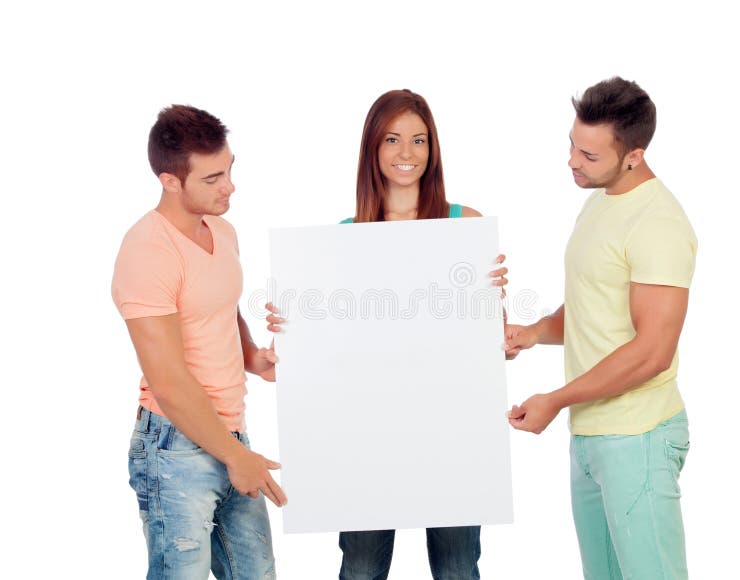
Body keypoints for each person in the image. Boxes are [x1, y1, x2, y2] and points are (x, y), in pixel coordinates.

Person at [267, 89, 508, 580]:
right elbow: (332, 352)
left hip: (452, 433)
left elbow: (493, 348)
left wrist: (493, 306)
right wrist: (293, 332)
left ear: (432, 148)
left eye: (419, 140)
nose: (406, 154)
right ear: (372, 149)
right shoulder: (343, 236)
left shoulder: (466, 226)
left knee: (459, 569)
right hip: (368, 437)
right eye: (392, 139)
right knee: (360, 569)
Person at [504, 77, 697, 579]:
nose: (572, 161)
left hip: (639, 435)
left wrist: (557, 398)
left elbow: (653, 350)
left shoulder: (657, 223)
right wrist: (532, 333)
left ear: (633, 155)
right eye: (572, 144)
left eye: (589, 155)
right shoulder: (600, 202)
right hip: (591, 435)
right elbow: (591, 306)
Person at [112, 104, 286, 580]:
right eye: (211, 179)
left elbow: (221, 306)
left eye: (229, 170)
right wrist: (236, 457)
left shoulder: (222, 230)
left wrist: (254, 357)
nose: (228, 186)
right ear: (170, 181)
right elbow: (168, 382)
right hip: (173, 445)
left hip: (230, 433)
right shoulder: (148, 252)